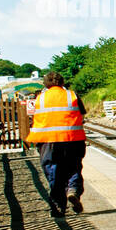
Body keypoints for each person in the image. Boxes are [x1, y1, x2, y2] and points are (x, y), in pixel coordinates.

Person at [26, 71, 87, 216]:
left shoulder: (40, 98)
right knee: (74, 167)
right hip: (73, 138)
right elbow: (82, 114)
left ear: (46, 84)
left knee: (54, 171)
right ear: (62, 82)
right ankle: (72, 190)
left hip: (48, 141)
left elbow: (34, 118)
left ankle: (58, 206)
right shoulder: (72, 95)